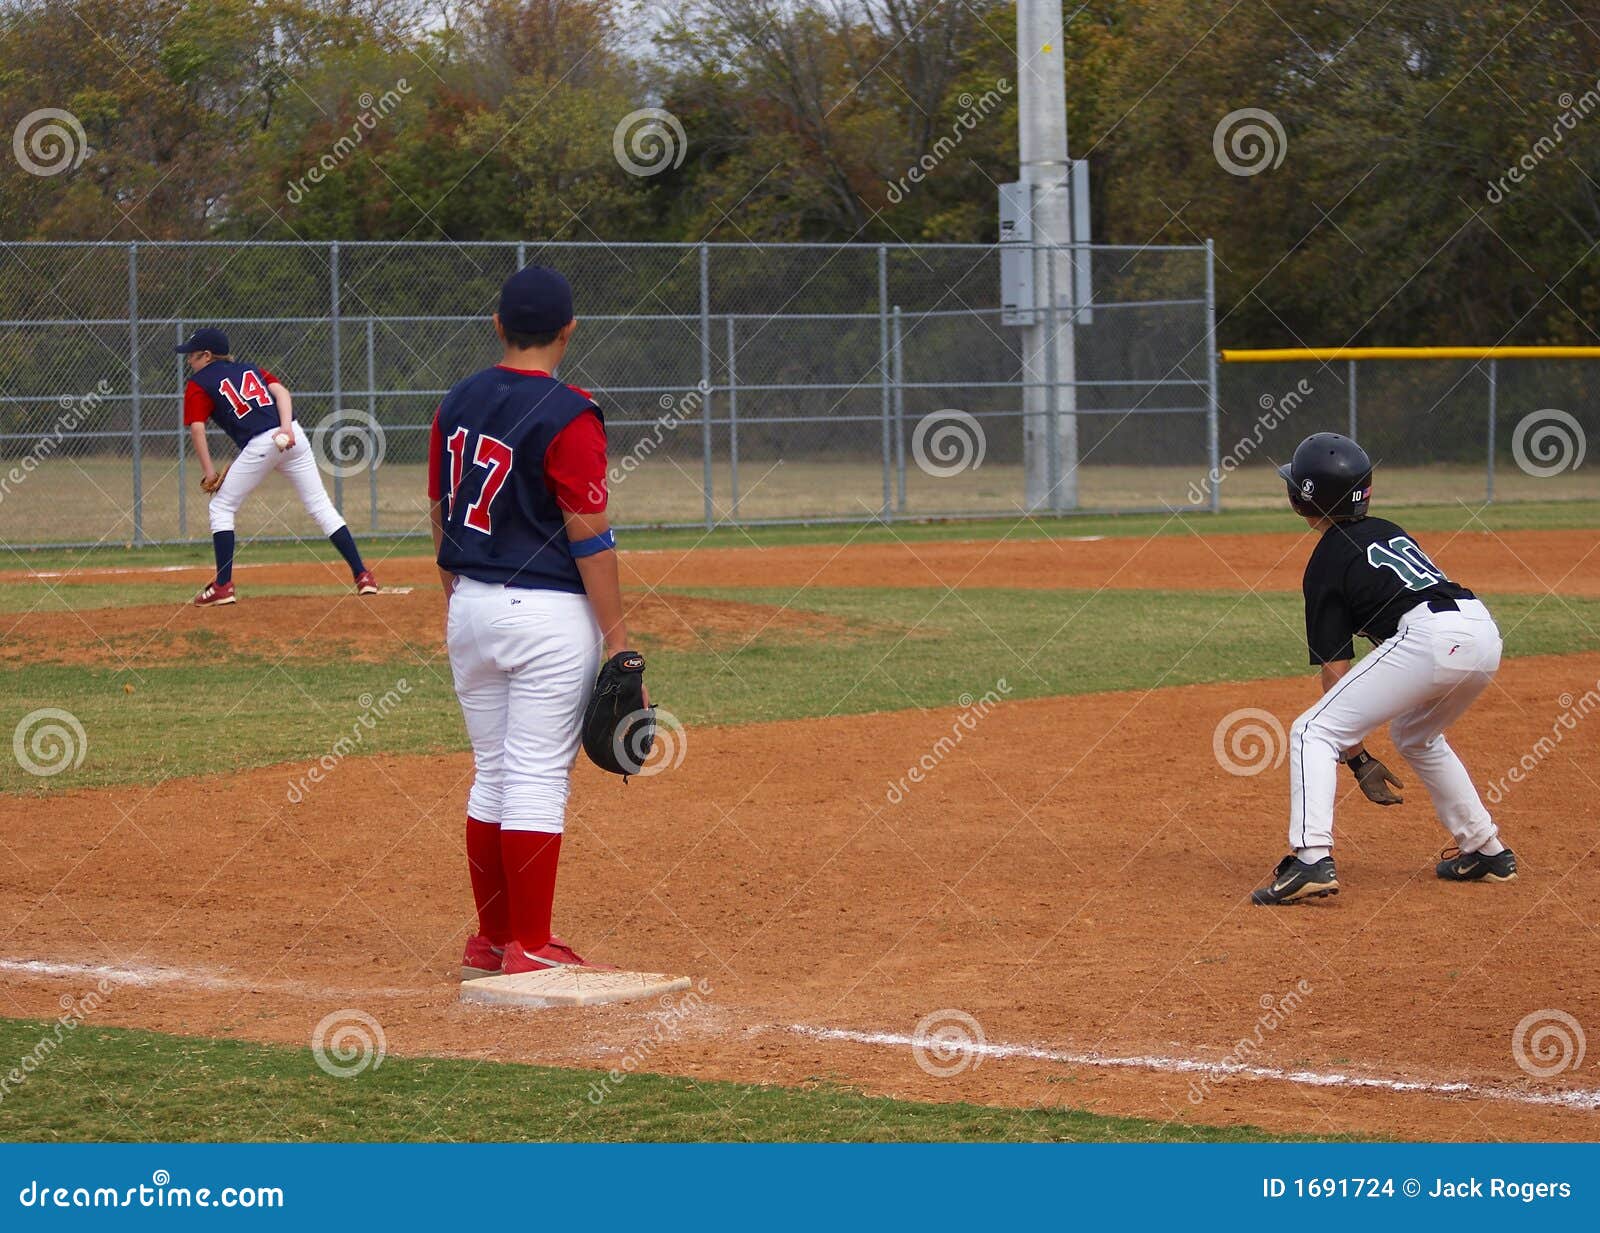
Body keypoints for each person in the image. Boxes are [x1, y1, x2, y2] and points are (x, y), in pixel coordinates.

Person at [428, 265, 639, 976]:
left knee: (492, 772)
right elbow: (590, 533)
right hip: (546, 612)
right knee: (539, 777)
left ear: (498, 325)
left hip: (471, 603)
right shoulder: (569, 410)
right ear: (569, 329)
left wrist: (454, 586)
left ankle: (491, 940)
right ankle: (532, 944)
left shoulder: (459, 398)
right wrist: (618, 638)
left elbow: (439, 507)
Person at [1252, 431, 1517, 905]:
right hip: (1481, 630)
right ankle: (1485, 848)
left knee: (1311, 730)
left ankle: (1311, 858)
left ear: (1300, 499)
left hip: (1431, 640)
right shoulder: (1388, 528)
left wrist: (1356, 760)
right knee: (1417, 735)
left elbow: (1335, 671)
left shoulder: (1326, 559)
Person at [178, 327, 376, 605]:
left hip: (260, 444)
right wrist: (286, 428)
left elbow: (197, 429)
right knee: (320, 505)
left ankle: (223, 586)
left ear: (207, 355)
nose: (189, 361)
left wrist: (209, 472)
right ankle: (363, 576)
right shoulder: (250, 369)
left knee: (221, 506)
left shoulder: (199, 383)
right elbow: (281, 392)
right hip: (291, 434)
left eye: (192, 356)